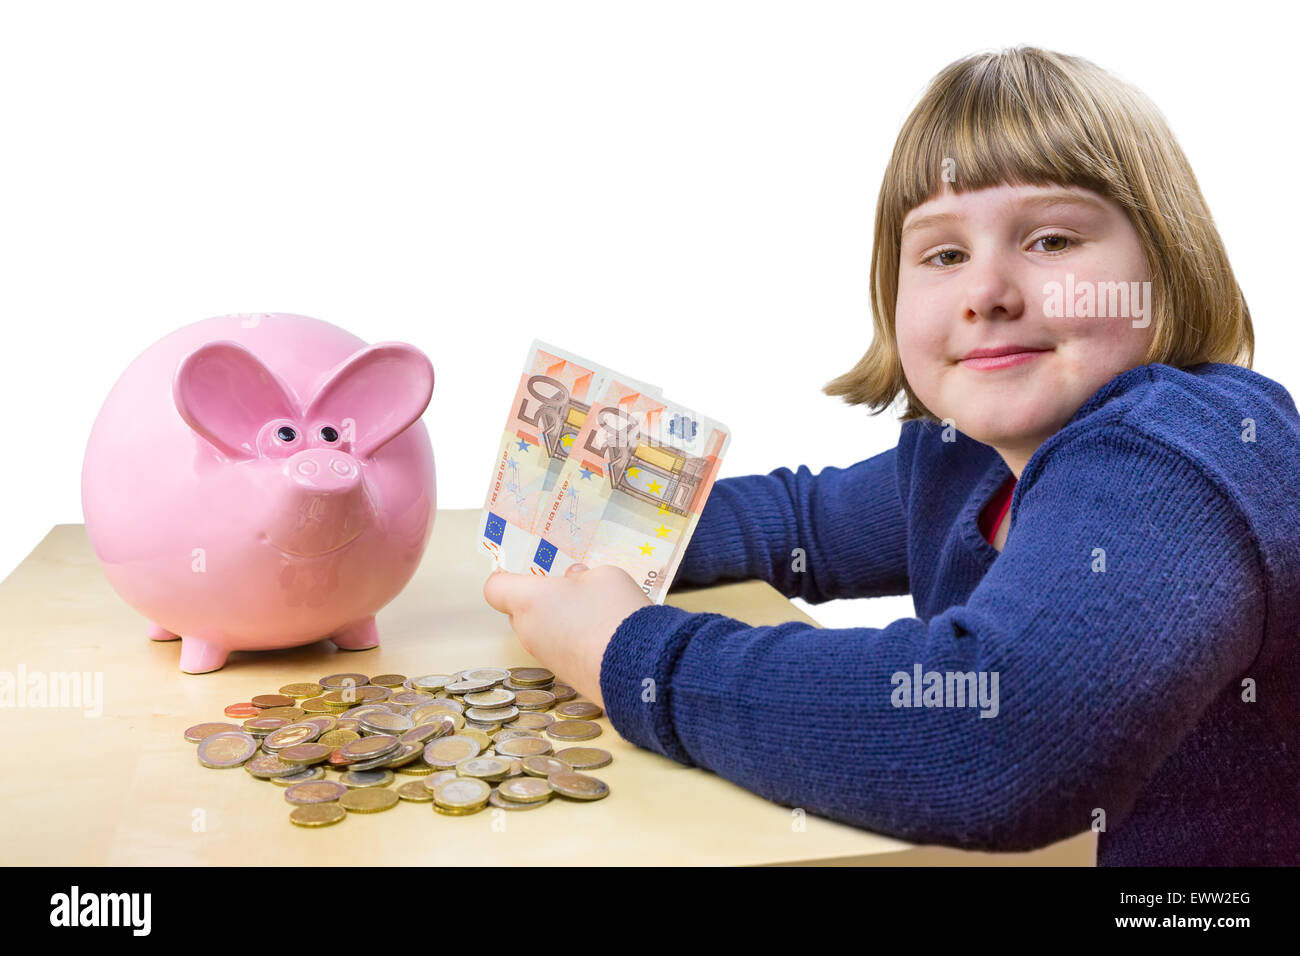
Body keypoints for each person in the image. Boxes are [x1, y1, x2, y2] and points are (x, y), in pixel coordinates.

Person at [482, 45, 1300, 866]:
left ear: (1166, 261)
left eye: (1051, 240)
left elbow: (995, 734)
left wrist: (634, 654)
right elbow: (796, 522)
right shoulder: (963, 456)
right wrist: (591, 525)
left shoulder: (1188, 448)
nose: (987, 292)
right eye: (944, 255)